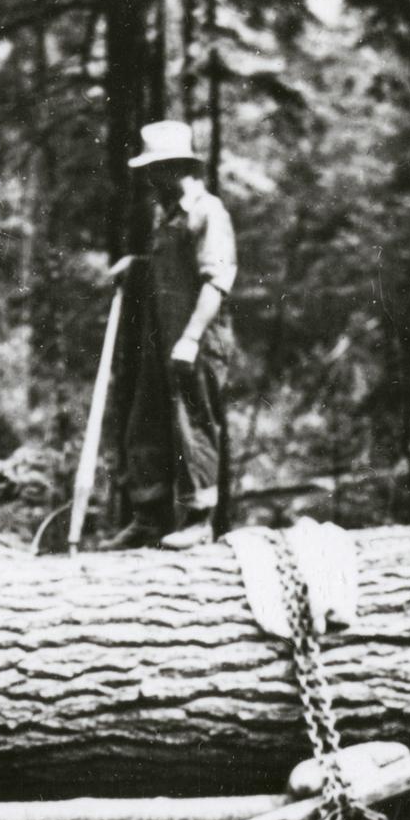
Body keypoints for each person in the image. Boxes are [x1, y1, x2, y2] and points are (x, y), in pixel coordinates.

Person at [112, 120, 237, 549]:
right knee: (145, 422)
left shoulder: (208, 213)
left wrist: (192, 337)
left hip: (197, 337)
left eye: (155, 169)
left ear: (177, 166)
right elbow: (169, 267)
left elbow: (216, 281)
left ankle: (199, 520)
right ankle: (149, 517)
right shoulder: (167, 216)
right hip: (163, 335)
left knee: (193, 422)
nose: (149, 178)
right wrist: (138, 264)